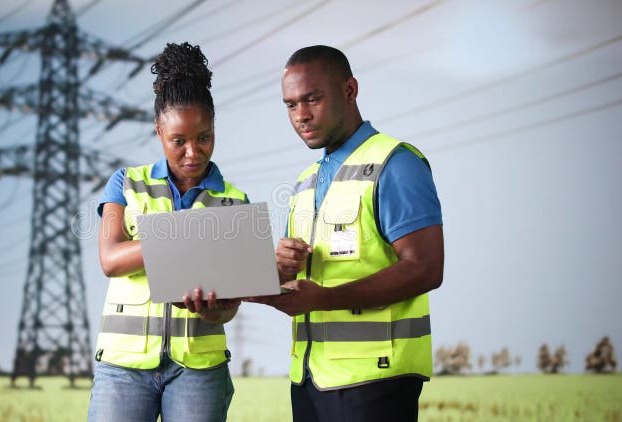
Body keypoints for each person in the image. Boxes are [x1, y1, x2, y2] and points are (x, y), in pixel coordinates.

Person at [249, 45, 444, 421]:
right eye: (290, 105)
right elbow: (297, 280)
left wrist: (324, 299)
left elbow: (426, 268)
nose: (301, 116)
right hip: (309, 380)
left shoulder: (397, 163)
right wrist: (258, 279)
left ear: (350, 90)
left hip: (375, 381)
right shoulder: (305, 182)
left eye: (312, 99)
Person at [87, 42, 246, 422]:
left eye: (204, 137)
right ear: (159, 131)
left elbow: (231, 307)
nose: (193, 151)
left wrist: (214, 312)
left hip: (199, 368)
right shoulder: (125, 183)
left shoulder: (234, 202)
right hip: (124, 368)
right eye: (179, 141)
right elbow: (110, 259)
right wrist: (185, 234)